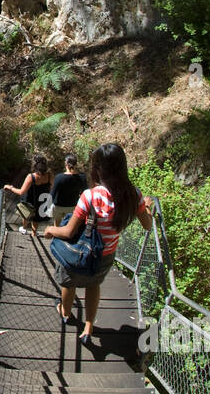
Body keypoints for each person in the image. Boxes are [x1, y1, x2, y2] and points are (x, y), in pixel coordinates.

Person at [42, 143, 152, 348]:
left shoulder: (90, 196)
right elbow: (147, 225)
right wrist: (147, 207)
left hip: (80, 253)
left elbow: (68, 232)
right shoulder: (133, 195)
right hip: (107, 254)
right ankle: (89, 327)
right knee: (94, 285)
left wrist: (50, 231)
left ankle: (65, 313)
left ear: (98, 168)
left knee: (68, 282)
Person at [4, 156, 51, 235]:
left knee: (26, 213)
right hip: (42, 200)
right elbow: (52, 187)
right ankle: (34, 233)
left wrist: (10, 187)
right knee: (36, 217)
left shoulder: (31, 177)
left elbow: (21, 192)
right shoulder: (49, 175)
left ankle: (24, 228)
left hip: (30, 200)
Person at [49, 154, 87, 228]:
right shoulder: (82, 177)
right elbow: (84, 192)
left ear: (65, 163)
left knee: (57, 226)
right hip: (72, 205)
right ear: (76, 164)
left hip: (58, 205)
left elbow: (53, 193)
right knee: (69, 226)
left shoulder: (59, 177)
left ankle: (57, 237)